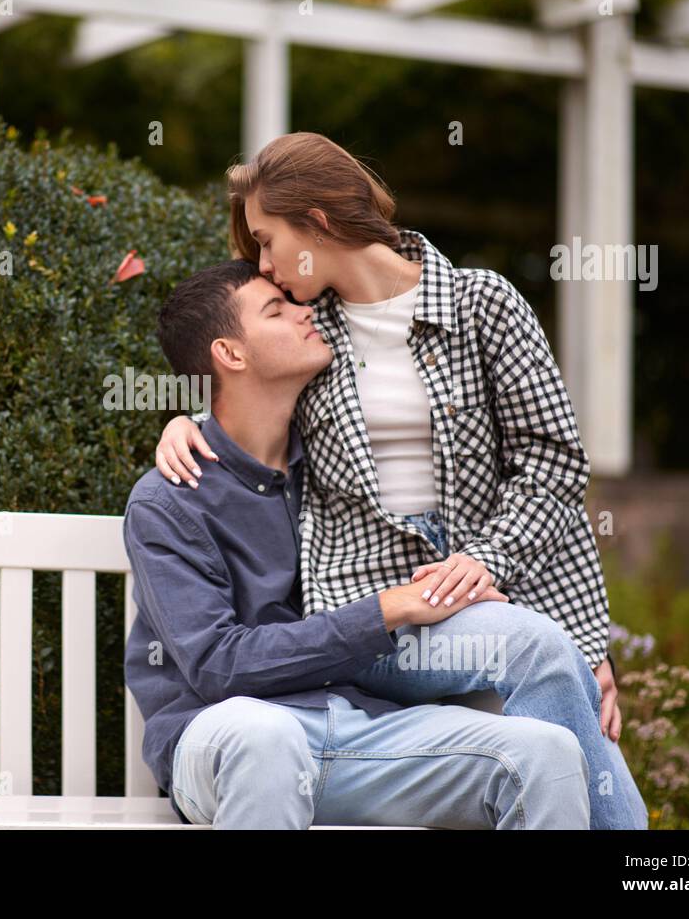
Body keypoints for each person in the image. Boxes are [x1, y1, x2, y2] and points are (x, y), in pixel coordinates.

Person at [153, 134, 648, 828]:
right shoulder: (309, 335)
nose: (261, 265)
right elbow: (240, 392)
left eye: (266, 242)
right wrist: (184, 422)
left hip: (494, 599)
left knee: (545, 665)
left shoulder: (484, 306)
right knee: (537, 646)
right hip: (377, 622)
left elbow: (553, 466)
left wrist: (584, 639)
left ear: (318, 222)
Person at [123, 259, 595, 829]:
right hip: (226, 735)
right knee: (265, 734)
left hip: (355, 730)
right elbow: (218, 667)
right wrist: (390, 608)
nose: (306, 311)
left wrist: (589, 651)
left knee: (545, 754)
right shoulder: (170, 500)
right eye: (277, 309)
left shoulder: (330, 467)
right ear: (231, 354)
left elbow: (538, 484)